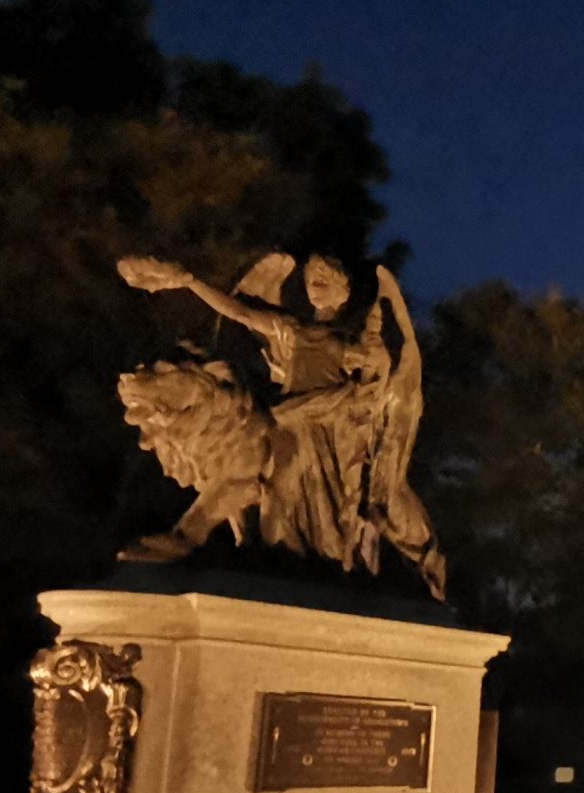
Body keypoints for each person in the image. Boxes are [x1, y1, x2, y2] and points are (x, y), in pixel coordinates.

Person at [115, 253, 448, 598]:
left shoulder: (349, 342)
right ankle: (276, 558)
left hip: (330, 427)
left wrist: (379, 355)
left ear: (344, 292)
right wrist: (189, 281)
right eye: (311, 277)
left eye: (325, 276)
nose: (315, 280)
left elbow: (377, 376)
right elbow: (239, 313)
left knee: (317, 501)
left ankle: (308, 564)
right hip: (289, 419)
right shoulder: (292, 328)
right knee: (278, 490)